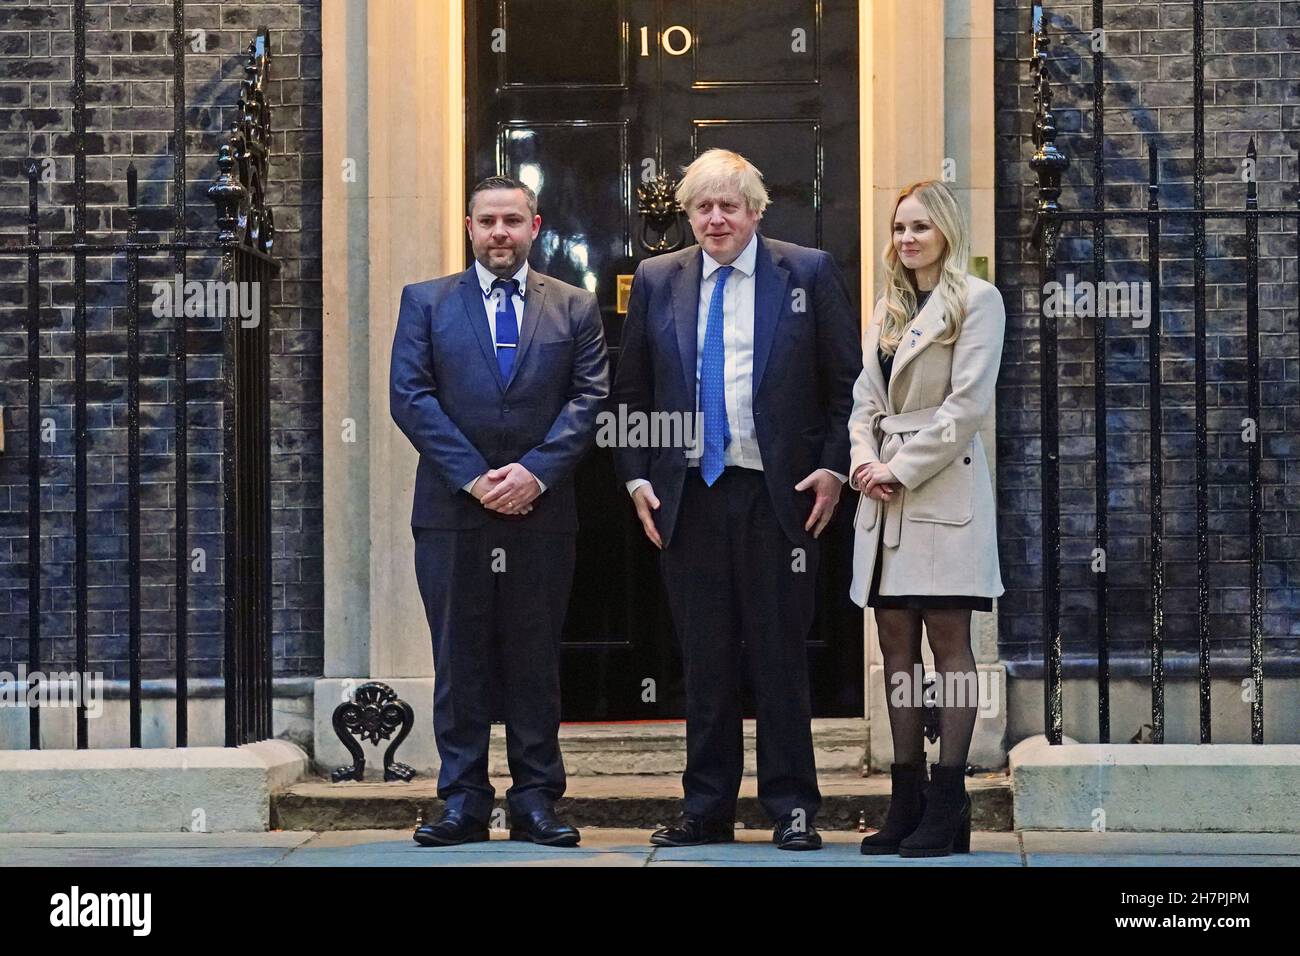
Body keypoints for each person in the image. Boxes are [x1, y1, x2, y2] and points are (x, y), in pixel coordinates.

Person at [611, 149, 861, 850]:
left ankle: (792, 808)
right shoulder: (661, 279)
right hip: (688, 496)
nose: (715, 219)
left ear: (756, 210)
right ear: (687, 215)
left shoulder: (805, 272)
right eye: (702, 207)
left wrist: (833, 469)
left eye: (729, 205)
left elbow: (849, 387)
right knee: (705, 657)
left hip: (777, 496)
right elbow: (630, 393)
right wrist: (636, 480)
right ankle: (707, 809)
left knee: (780, 656)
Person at [389, 175, 610, 847]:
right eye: (488, 221)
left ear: (535, 227)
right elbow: (411, 397)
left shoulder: (574, 307)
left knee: (534, 659)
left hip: (541, 514)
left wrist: (534, 474)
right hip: (454, 514)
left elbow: (589, 398)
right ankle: (462, 801)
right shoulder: (426, 302)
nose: (500, 233)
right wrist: (476, 479)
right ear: (468, 225)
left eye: (513, 220)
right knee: (460, 660)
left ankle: (536, 800)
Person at [847, 179, 1006, 857]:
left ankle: (949, 802)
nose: (907, 239)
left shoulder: (976, 300)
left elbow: (966, 409)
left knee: (949, 650)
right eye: (899, 228)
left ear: (946, 231)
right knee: (896, 652)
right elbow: (863, 401)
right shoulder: (888, 306)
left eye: (920, 227)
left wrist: (898, 468)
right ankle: (904, 802)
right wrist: (861, 458)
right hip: (883, 503)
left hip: (940, 493)